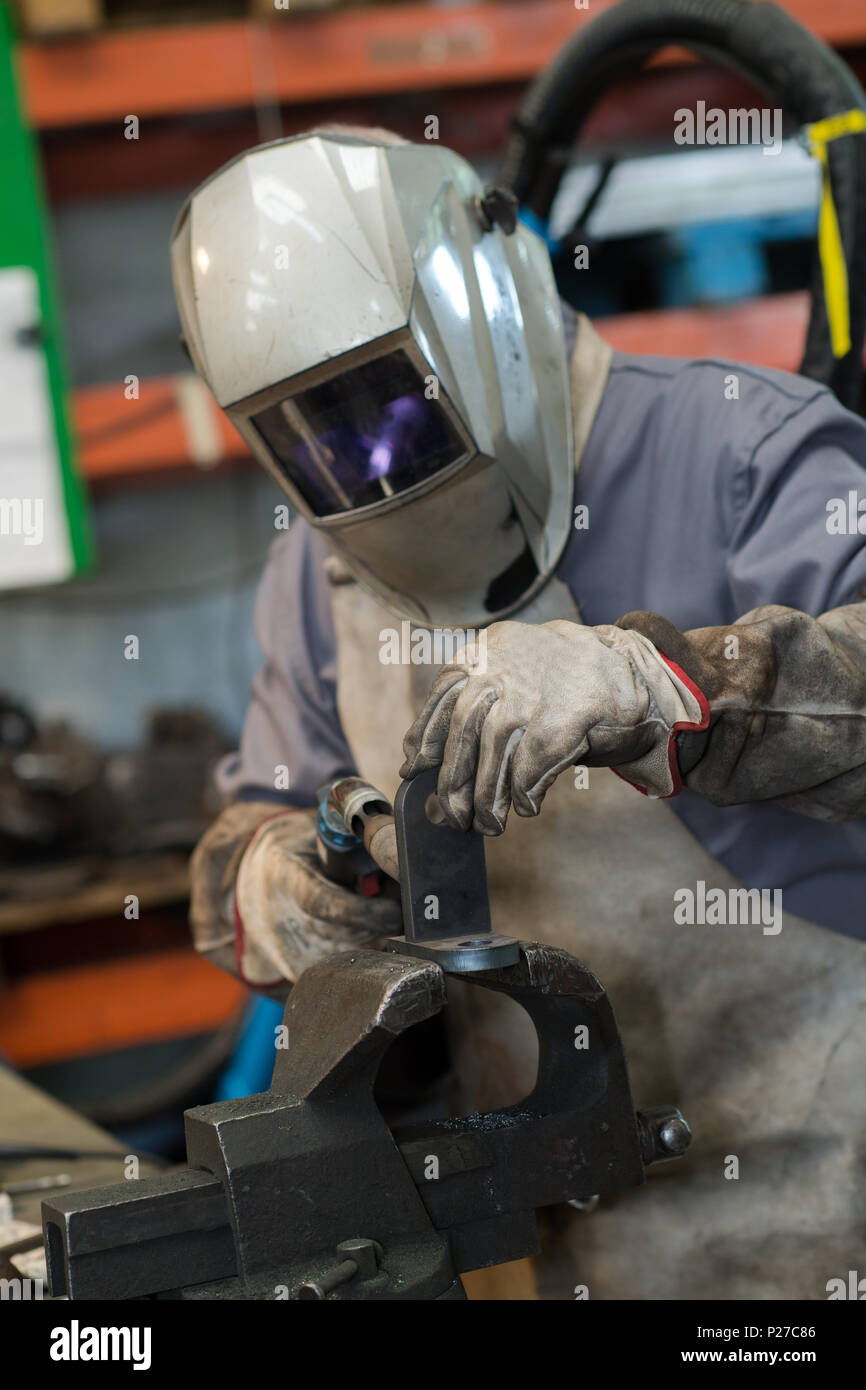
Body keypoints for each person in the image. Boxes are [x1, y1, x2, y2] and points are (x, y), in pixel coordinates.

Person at [172, 128, 866, 1300]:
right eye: (314, 437)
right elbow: (254, 829)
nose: (373, 462)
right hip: (532, 1243)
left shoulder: (737, 448)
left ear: (480, 311)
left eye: (390, 401)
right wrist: (276, 885)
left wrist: (666, 686)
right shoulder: (314, 575)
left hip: (813, 1230)